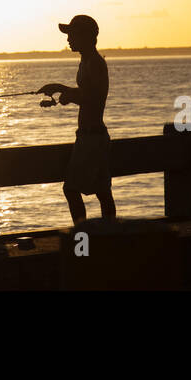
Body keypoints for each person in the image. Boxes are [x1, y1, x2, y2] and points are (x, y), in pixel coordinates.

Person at [40, 14, 116, 226]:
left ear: (85, 36)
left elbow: (91, 97)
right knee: (102, 191)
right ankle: (108, 235)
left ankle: (83, 235)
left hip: (92, 138)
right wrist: (59, 89)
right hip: (92, 136)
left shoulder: (95, 64)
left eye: (72, 35)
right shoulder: (87, 62)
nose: (68, 40)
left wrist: (66, 94)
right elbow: (85, 94)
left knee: (71, 189)